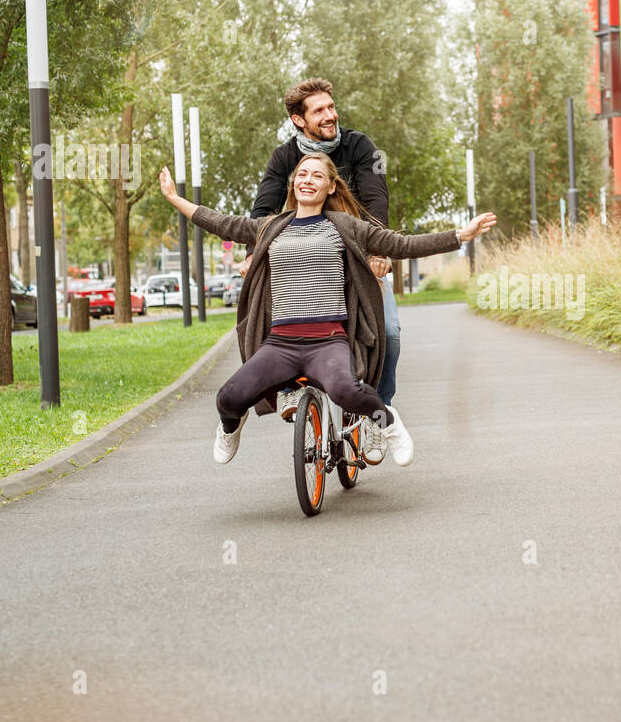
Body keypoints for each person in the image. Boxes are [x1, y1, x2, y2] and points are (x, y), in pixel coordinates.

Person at [158, 155, 496, 467]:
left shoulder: (343, 226)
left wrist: (460, 235)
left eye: (317, 175)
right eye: (301, 174)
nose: (307, 180)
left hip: (327, 341)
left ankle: (387, 420)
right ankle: (231, 426)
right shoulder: (270, 227)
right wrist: (175, 199)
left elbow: (399, 244)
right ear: (293, 183)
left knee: (347, 392)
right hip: (280, 344)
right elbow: (221, 223)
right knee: (229, 398)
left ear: (330, 186)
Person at [245, 77, 402, 420]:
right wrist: (249, 256)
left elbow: (376, 199)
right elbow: (262, 211)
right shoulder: (284, 158)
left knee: (388, 331)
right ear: (298, 120)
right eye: (320, 111)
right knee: (265, 318)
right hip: (304, 261)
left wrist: (378, 253)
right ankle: (287, 389)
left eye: (331, 106)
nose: (331, 115)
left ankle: (381, 408)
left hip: (358, 258)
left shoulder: (361, 146)